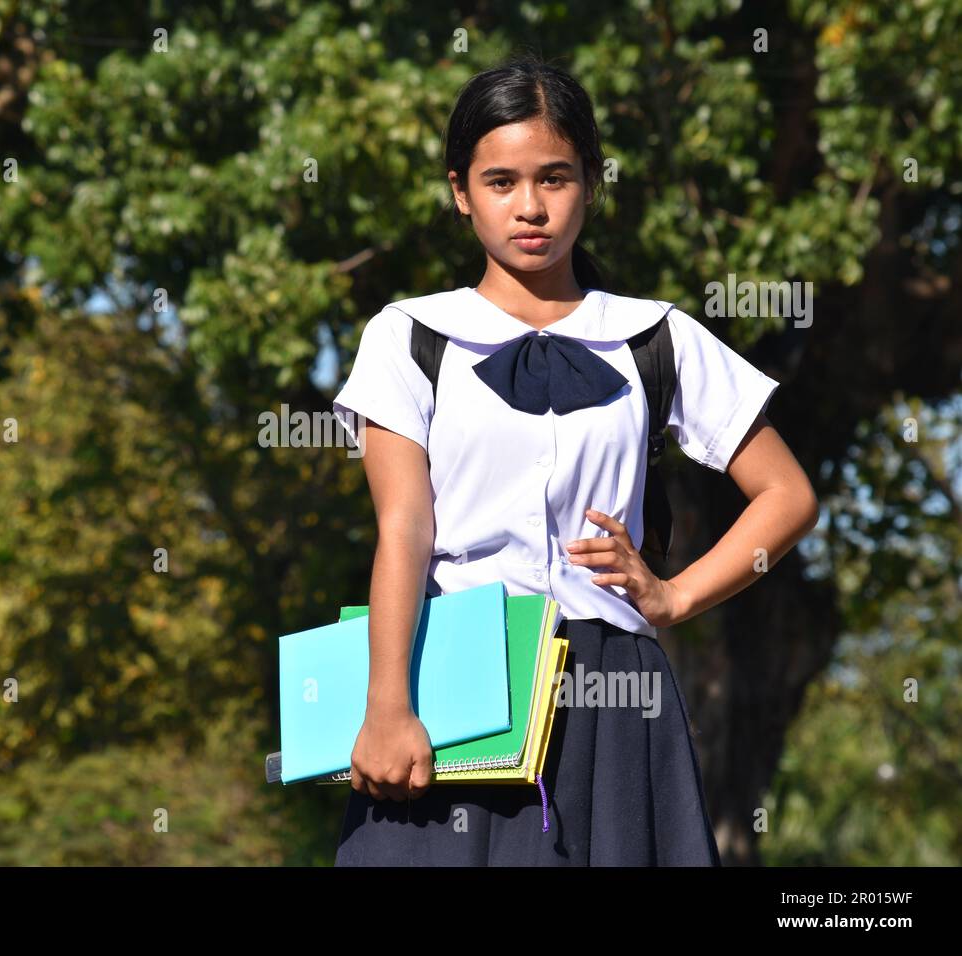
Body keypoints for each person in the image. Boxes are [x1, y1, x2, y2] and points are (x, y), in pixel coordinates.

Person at [329, 56, 819, 866]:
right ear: (461, 191)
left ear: (592, 182)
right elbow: (404, 527)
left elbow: (787, 495)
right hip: (457, 680)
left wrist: (674, 595)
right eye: (500, 182)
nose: (530, 207)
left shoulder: (655, 335)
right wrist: (388, 703)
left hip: (616, 698)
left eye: (555, 178)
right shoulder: (408, 336)